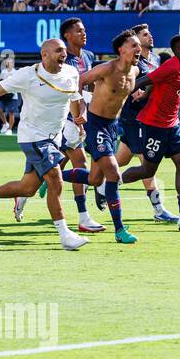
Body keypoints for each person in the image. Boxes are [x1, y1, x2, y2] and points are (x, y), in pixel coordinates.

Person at [0, 38, 89, 251]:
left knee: (28, 188)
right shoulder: (27, 75)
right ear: (44, 55)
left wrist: (79, 120)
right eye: (58, 50)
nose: (63, 54)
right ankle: (64, 234)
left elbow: (75, 99)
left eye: (65, 51)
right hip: (33, 137)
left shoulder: (71, 72)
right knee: (55, 178)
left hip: (54, 138)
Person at [59, 29, 143, 245]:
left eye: (138, 46)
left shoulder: (134, 71)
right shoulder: (106, 68)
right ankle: (120, 230)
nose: (138, 49)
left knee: (96, 179)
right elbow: (77, 81)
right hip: (95, 125)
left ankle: (52, 175)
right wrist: (81, 109)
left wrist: (140, 93)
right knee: (113, 174)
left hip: (113, 126)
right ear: (121, 50)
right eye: (134, 45)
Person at [119, 35, 180, 232]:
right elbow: (144, 79)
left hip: (172, 124)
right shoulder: (171, 66)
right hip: (154, 125)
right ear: (179, 50)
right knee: (147, 171)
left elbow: (155, 81)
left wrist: (147, 93)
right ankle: (110, 182)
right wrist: (120, 92)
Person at [112, 23, 179, 222]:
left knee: (116, 162)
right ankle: (159, 210)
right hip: (134, 118)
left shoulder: (156, 59)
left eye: (150, 33)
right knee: (147, 163)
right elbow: (125, 84)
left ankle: (74, 176)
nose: (150, 36)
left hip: (149, 117)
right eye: (145, 34)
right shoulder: (133, 63)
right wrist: (136, 91)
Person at [59, 18, 106, 234]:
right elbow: (68, 91)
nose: (84, 34)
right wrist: (78, 113)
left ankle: (23, 193)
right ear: (67, 35)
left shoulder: (88, 57)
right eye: (79, 31)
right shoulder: (62, 58)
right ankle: (83, 216)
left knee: (56, 166)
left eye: (84, 30)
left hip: (81, 115)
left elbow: (87, 86)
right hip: (63, 117)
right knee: (80, 162)